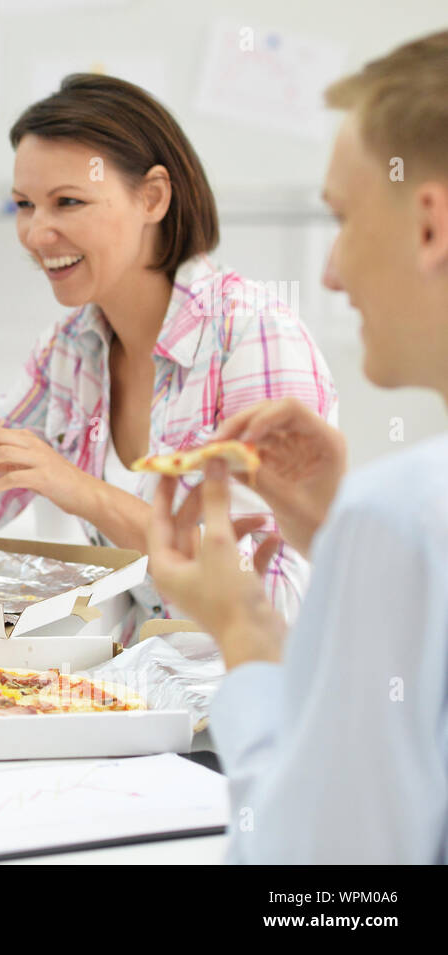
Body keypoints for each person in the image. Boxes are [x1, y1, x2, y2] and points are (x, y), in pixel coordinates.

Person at [0, 74, 337, 641]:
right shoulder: (69, 348)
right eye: (24, 205)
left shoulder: (253, 336)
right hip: (143, 680)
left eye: (69, 202)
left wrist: (85, 492)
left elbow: (270, 600)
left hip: (250, 701)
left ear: (153, 197)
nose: (36, 232)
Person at [147, 31, 448, 863]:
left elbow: (326, 893)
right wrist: (340, 532)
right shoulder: (394, 517)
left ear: (430, 226)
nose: (332, 274)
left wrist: (242, 631)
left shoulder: (405, 516)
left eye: (344, 219)